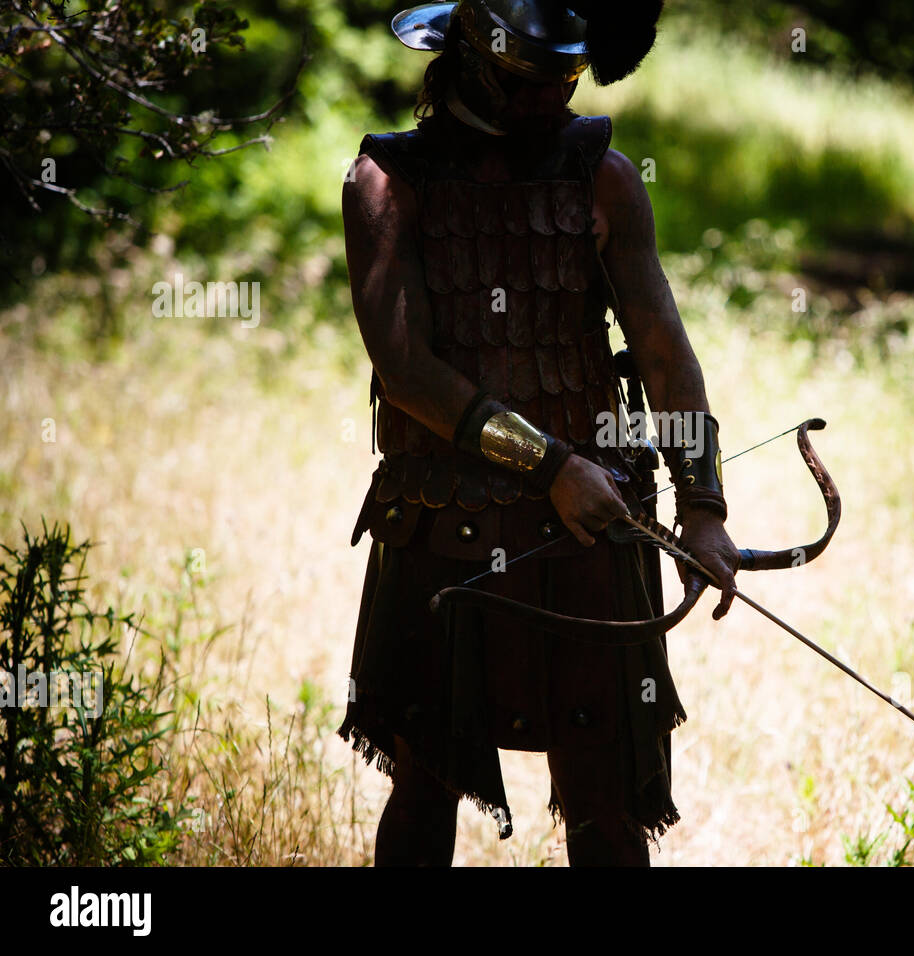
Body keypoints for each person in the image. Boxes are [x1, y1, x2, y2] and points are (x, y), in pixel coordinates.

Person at [337, 0, 739, 866]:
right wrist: (552, 463)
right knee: (424, 785)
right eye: (534, 81)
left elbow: (664, 353)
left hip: (587, 533)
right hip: (442, 526)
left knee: (605, 801)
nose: (556, 101)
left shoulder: (602, 177)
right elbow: (406, 370)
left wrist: (703, 506)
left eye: (569, 77)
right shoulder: (385, 184)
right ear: (477, 61)